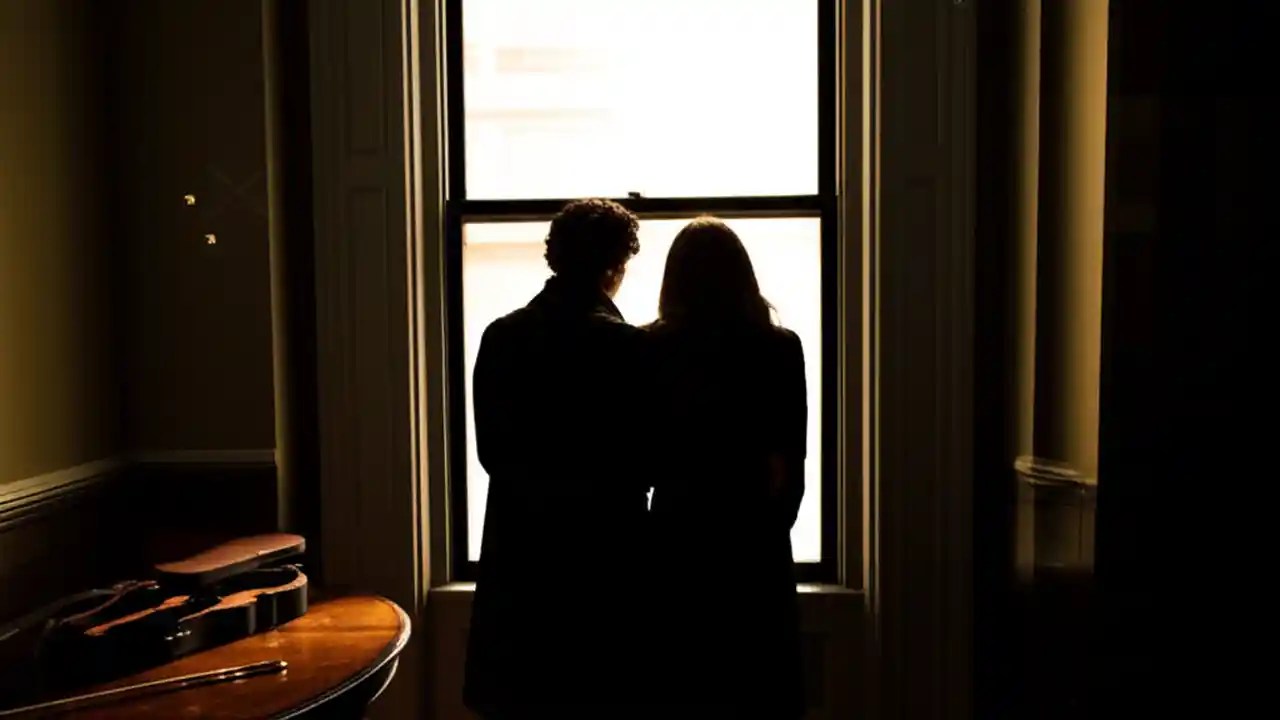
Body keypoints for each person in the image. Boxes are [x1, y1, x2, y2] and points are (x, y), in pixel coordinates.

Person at [463, 198, 653, 718]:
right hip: (606, 571)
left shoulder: (502, 338)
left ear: (554, 259)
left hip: (521, 564)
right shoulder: (630, 349)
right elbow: (650, 459)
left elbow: (492, 453)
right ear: (616, 267)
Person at [645, 217, 807, 718]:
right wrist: (771, 523)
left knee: (682, 687)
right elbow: (790, 458)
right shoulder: (780, 348)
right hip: (753, 537)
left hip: (677, 535)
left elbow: (639, 455)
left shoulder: (651, 347)